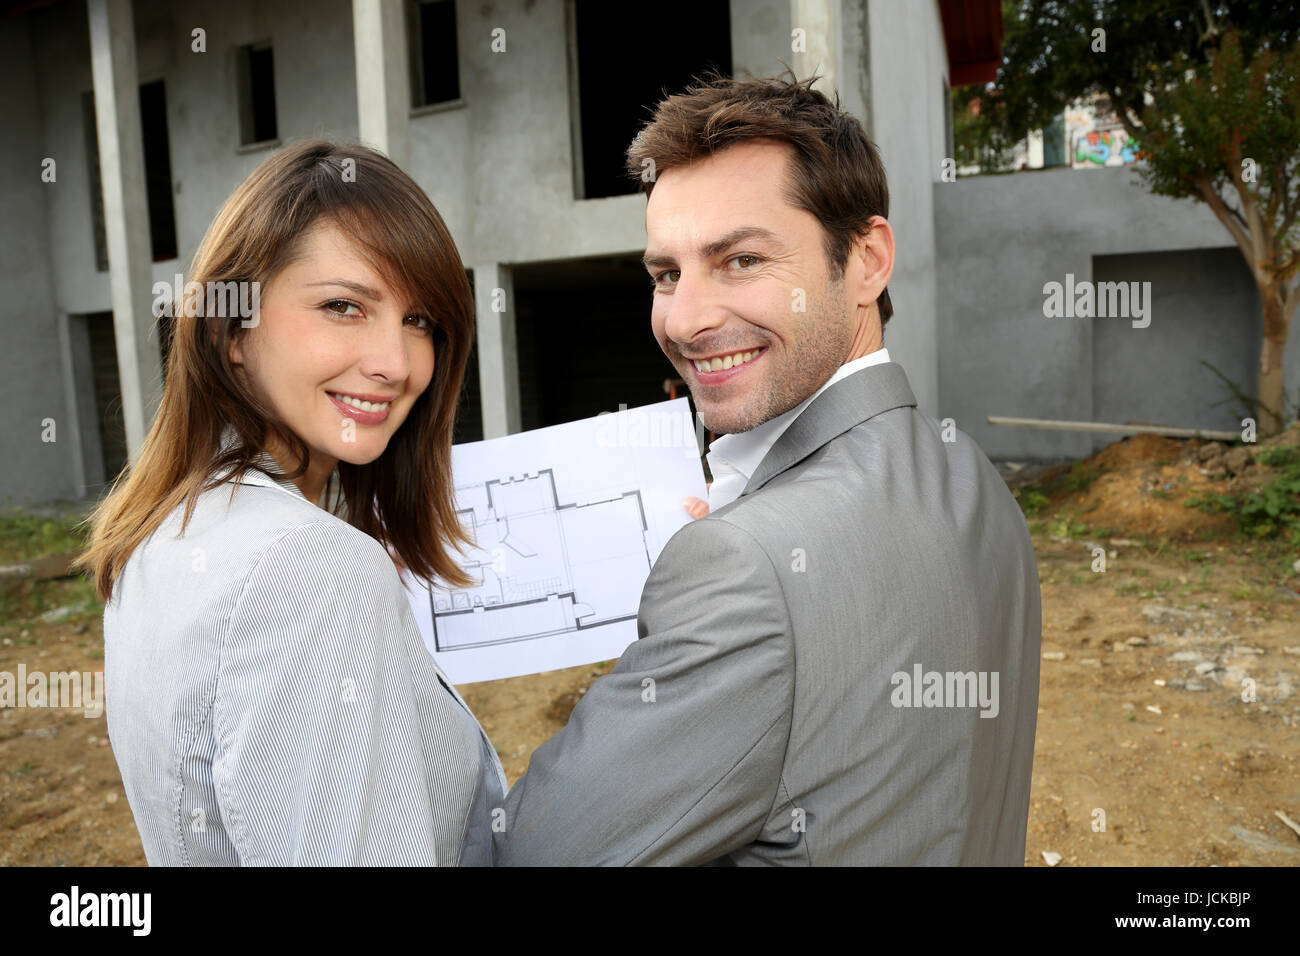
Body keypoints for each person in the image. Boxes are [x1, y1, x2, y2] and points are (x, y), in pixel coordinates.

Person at [492, 73, 1042, 865]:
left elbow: (534, 855)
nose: (684, 320)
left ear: (866, 262)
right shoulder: (971, 472)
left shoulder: (740, 566)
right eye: (666, 274)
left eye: (741, 260)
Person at [75, 140, 504, 866]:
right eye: (343, 307)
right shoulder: (309, 565)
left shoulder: (163, 532)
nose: (397, 365)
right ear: (231, 330)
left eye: (420, 320)